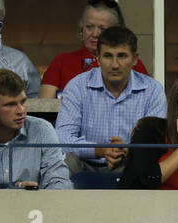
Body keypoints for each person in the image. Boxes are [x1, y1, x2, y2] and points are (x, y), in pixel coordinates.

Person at [55, 25, 164, 174]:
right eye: (108, 56)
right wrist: (99, 150)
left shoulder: (153, 90)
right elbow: (62, 137)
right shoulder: (77, 86)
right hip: (85, 163)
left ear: (135, 59)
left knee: (148, 165)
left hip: (131, 165)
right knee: (63, 161)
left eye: (122, 56)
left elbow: (156, 142)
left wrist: (128, 149)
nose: (114, 65)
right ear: (98, 59)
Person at [40, 0, 148, 98]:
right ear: (82, 29)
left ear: (116, 31)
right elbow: (45, 108)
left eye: (103, 29)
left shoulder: (134, 65)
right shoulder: (62, 62)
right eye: (89, 27)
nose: (95, 34)